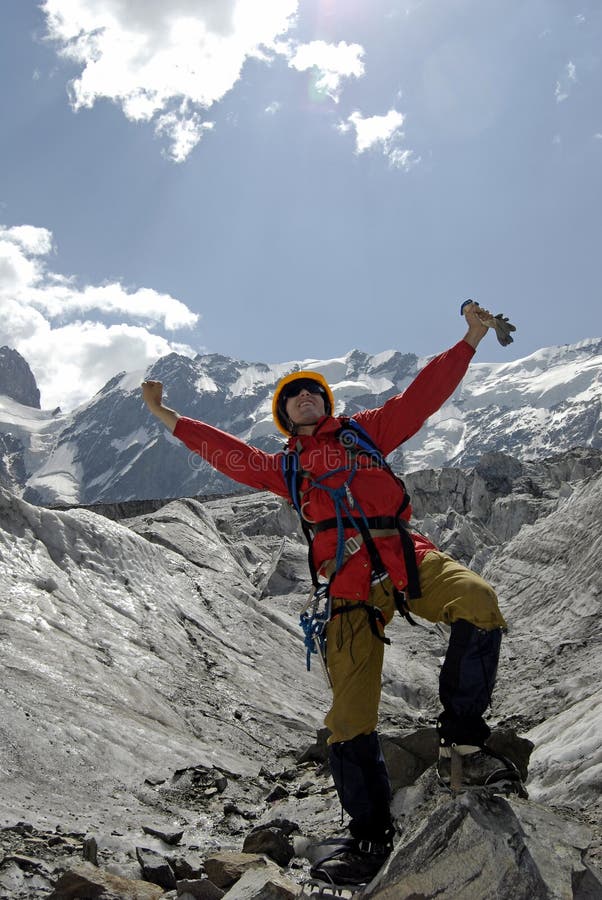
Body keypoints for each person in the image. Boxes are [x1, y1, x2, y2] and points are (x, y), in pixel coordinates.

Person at [141, 302, 513, 887]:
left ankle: (463, 740)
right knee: (348, 720)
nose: (306, 399)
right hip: (347, 588)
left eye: (313, 393)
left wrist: (468, 339)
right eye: (294, 397)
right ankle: (369, 834)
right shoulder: (281, 468)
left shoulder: (367, 433)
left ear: (327, 404)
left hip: (406, 559)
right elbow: (222, 451)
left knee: (479, 600)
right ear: (284, 416)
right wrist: (166, 415)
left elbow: (421, 396)